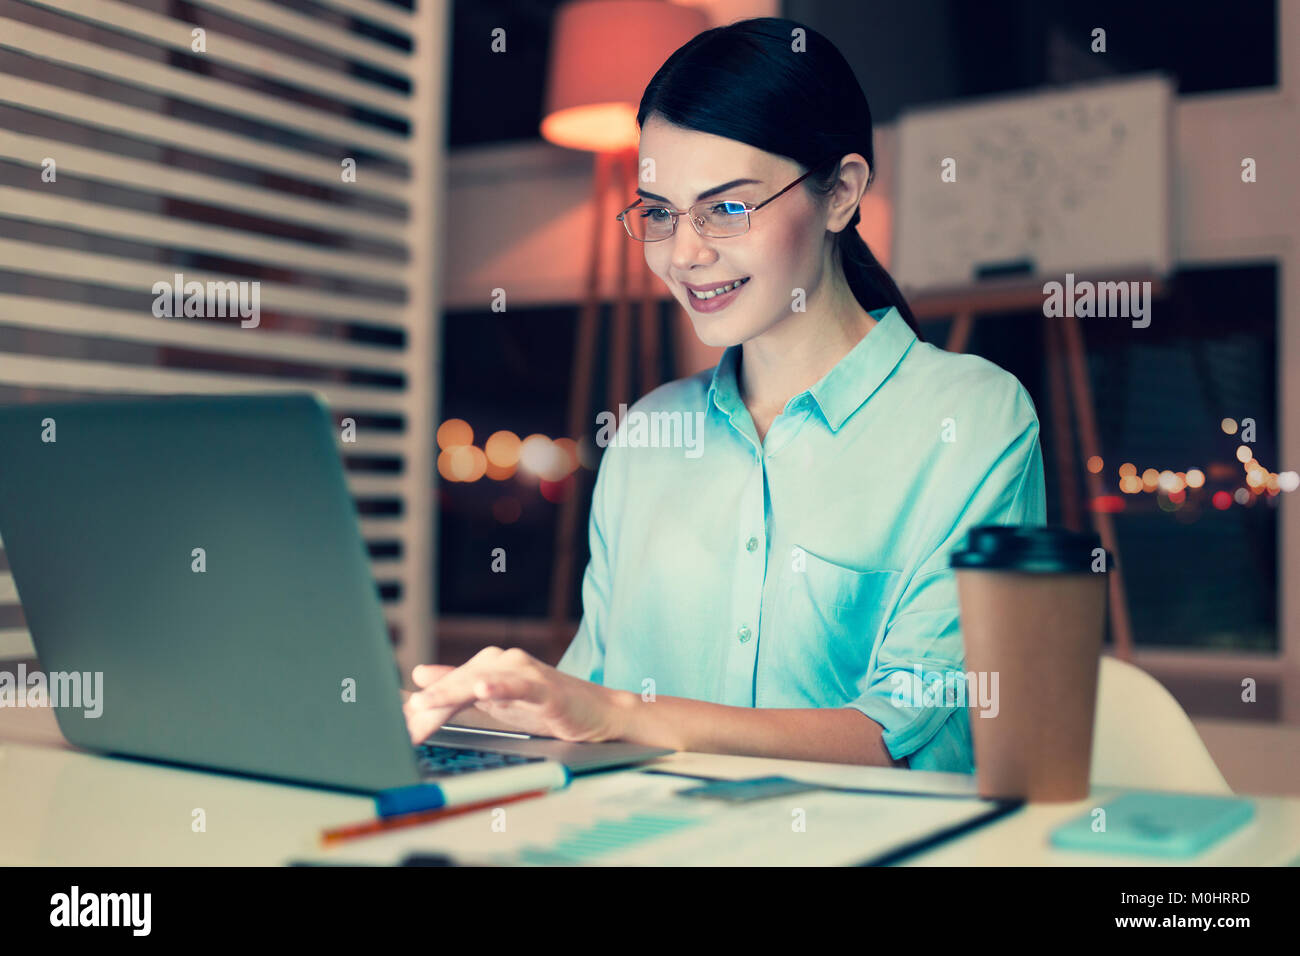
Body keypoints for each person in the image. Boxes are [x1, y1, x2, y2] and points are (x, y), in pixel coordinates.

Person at [404, 17, 1045, 772]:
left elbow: (896, 735)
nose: (685, 253)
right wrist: (486, 710)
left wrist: (618, 715)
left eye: (728, 207)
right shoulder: (646, 435)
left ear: (840, 194)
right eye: (660, 212)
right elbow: (592, 695)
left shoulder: (970, 417)